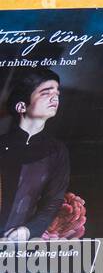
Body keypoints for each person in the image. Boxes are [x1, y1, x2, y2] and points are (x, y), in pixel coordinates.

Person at [0, 69, 70, 242]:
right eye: (46, 93)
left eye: (57, 93)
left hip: (22, 246)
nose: (55, 98)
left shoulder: (57, 151)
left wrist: (27, 231)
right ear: (21, 106)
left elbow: (53, 201)